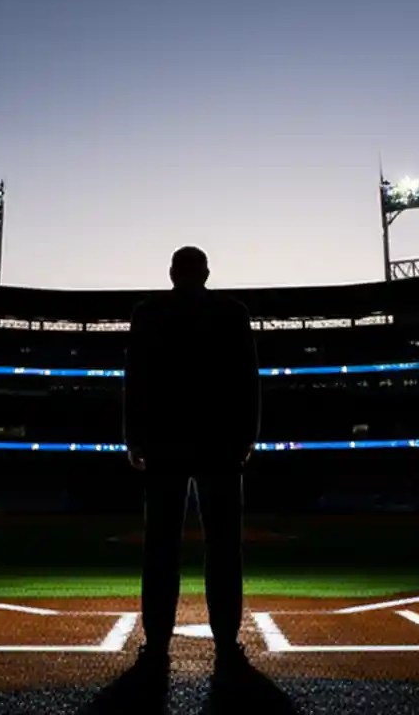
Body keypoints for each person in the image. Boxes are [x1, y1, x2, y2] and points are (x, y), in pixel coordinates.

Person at [123, 245, 261, 669]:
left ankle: (158, 642)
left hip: (165, 441)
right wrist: (246, 438)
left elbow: (137, 378)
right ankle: (226, 641)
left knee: (160, 546)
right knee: (223, 547)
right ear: (206, 273)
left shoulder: (149, 312)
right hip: (219, 442)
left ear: (171, 273)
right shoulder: (231, 312)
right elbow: (247, 380)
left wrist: (135, 437)